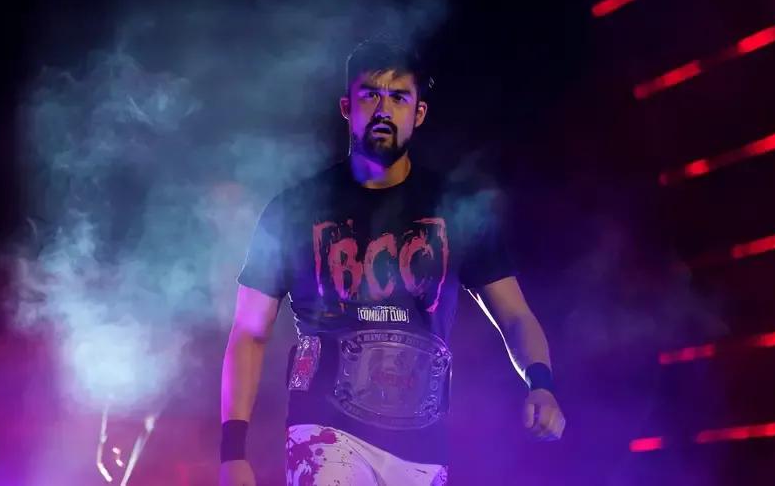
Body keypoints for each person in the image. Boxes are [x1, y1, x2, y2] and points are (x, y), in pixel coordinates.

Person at [219, 37, 565, 486]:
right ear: (348, 108)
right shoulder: (294, 209)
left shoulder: (455, 209)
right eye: (371, 95)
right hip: (324, 432)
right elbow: (248, 331)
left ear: (419, 113)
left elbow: (515, 314)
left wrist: (541, 383)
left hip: (423, 446)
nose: (384, 110)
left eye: (399, 97)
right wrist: (232, 452)